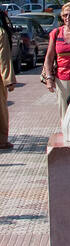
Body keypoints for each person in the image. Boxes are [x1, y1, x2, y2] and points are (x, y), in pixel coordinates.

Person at [0, 9, 17, 151]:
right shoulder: (1, 33)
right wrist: (8, 80)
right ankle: (1, 141)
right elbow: (3, 59)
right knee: (1, 111)